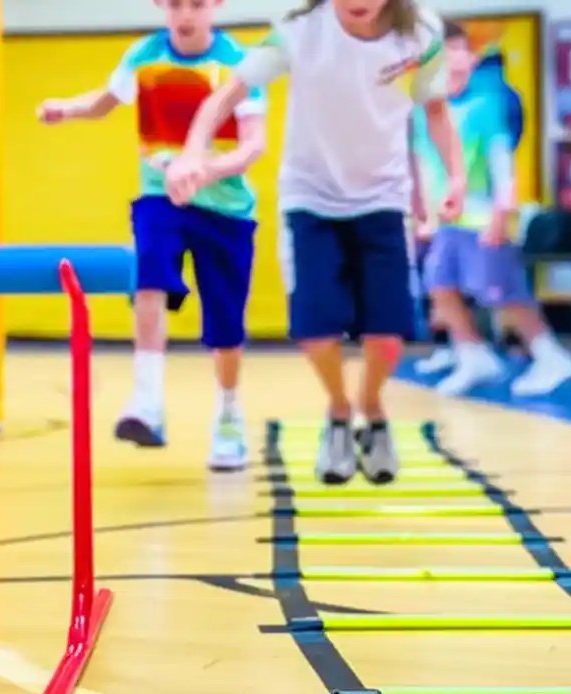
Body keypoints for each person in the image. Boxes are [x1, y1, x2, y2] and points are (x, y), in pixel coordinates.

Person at [167, 0, 465, 485]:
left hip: (384, 196)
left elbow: (435, 110)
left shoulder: (421, 33)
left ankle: (372, 407)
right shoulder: (299, 30)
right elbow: (228, 93)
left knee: (387, 335)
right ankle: (340, 412)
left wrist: (453, 177)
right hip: (311, 198)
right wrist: (193, 153)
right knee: (316, 330)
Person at [36, 0, 268, 471]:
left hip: (226, 208)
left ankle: (228, 415)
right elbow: (105, 100)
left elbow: (252, 146)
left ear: (216, 6)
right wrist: (65, 109)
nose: (186, 15)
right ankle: (147, 402)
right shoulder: (144, 55)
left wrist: (203, 170)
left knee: (225, 327)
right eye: (176, 4)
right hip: (161, 196)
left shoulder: (239, 64)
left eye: (197, 4)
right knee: (148, 280)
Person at [412, 21, 571, 397]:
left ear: (472, 58)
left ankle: (551, 356)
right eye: (444, 54)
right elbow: (423, 164)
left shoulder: (487, 105)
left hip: (483, 218)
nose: (454, 62)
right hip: (446, 222)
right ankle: (472, 353)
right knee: (438, 284)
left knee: (504, 292)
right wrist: (422, 216)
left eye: (460, 52)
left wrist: (502, 214)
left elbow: (502, 162)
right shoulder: (425, 110)